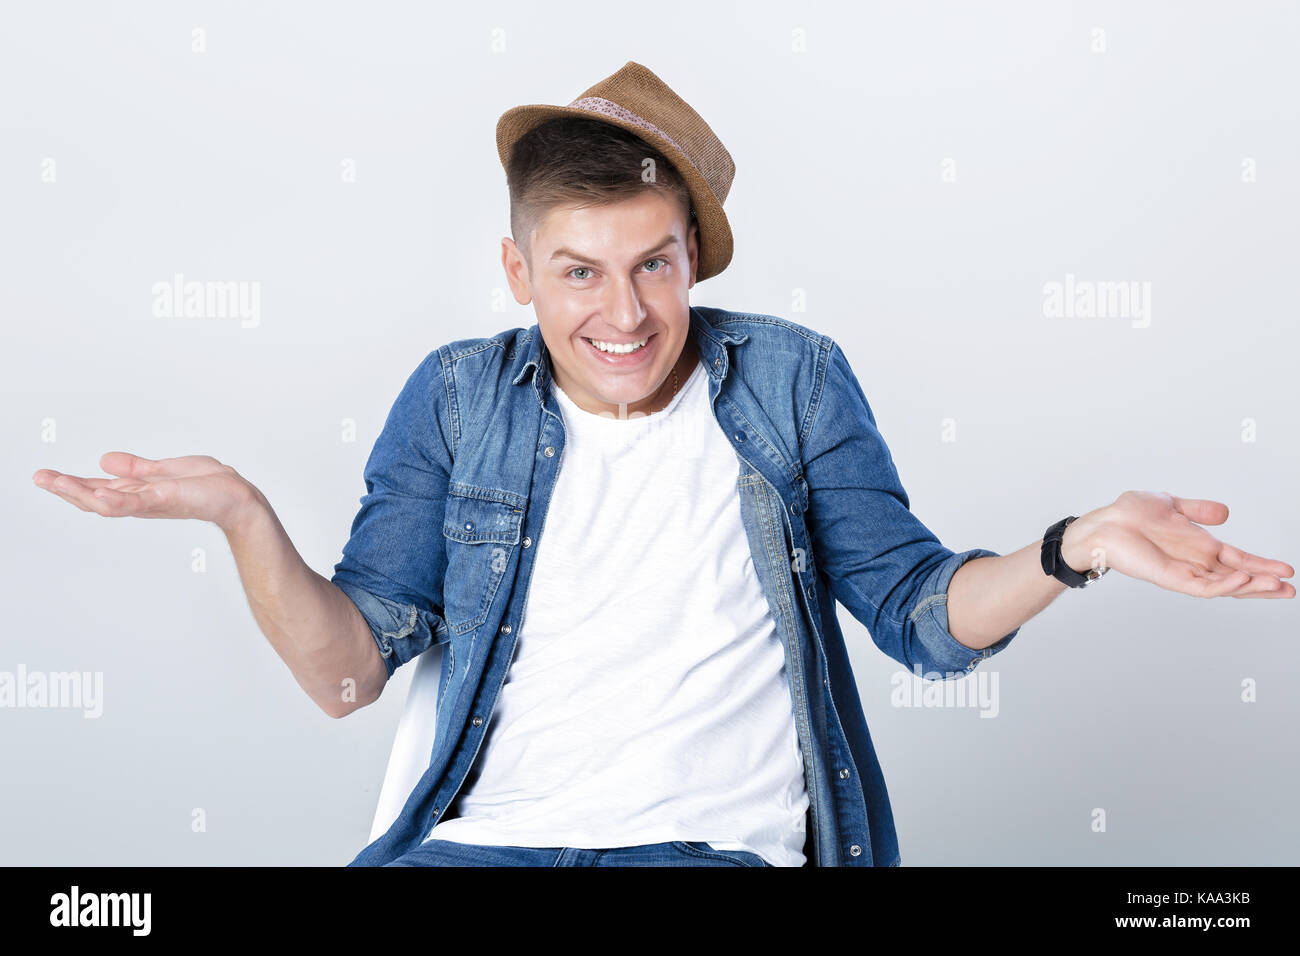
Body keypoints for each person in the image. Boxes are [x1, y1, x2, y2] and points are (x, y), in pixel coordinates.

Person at [33, 61, 1295, 868]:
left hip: (703, 850)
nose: (624, 312)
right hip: (479, 847)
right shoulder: (459, 395)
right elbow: (349, 677)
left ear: (695, 255)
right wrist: (245, 516)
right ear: (520, 271)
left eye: (654, 262)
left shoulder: (793, 379)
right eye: (578, 270)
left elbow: (921, 619)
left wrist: (1078, 543)